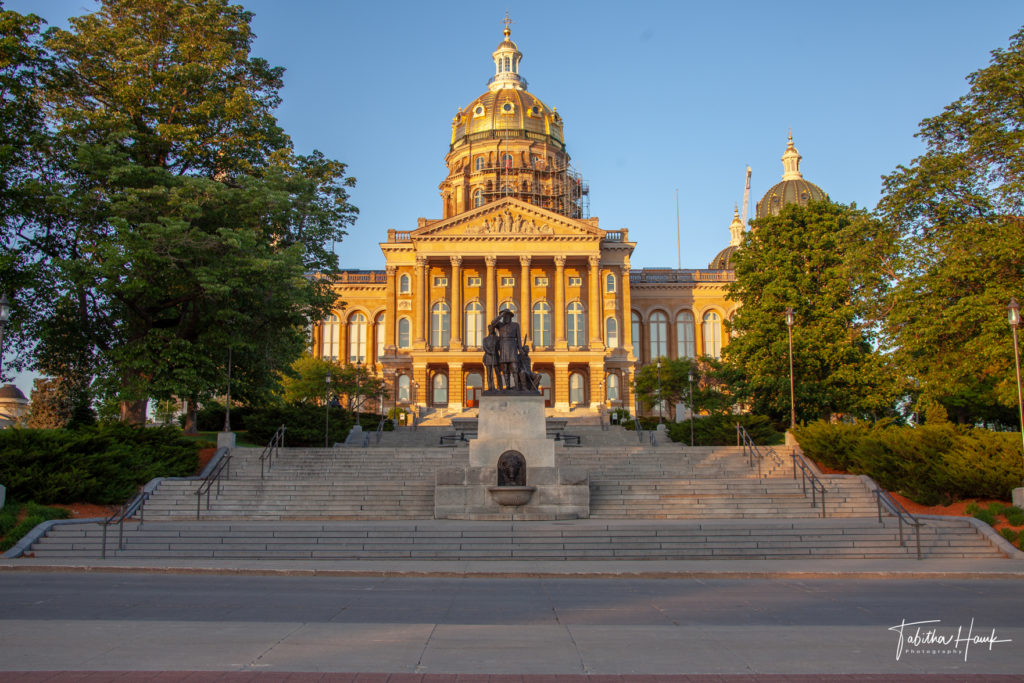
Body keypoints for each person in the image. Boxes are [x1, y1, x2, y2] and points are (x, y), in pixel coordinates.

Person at [491, 309, 521, 390]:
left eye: (508, 316)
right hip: (503, 345)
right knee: (504, 368)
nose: (506, 318)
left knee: (514, 367)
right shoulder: (500, 325)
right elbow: (492, 323)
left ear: (511, 317)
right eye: (505, 316)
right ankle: (507, 386)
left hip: (512, 346)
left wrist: (520, 349)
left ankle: (517, 386)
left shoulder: (515, 325)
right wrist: (500, 315)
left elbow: (518, 338)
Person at [482, 324, 502, 391]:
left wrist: (495, 350)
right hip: (488, 357)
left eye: (492, 329)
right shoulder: (485, 339)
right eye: (489, 329)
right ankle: (490, 387)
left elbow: (500, 347)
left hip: (495, 357)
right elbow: (485, 347)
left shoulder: (497, 338)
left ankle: (500, 387)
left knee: (498, 373)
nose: (490, 330)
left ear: (494, 330)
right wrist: (490, 352)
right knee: (489, 374)